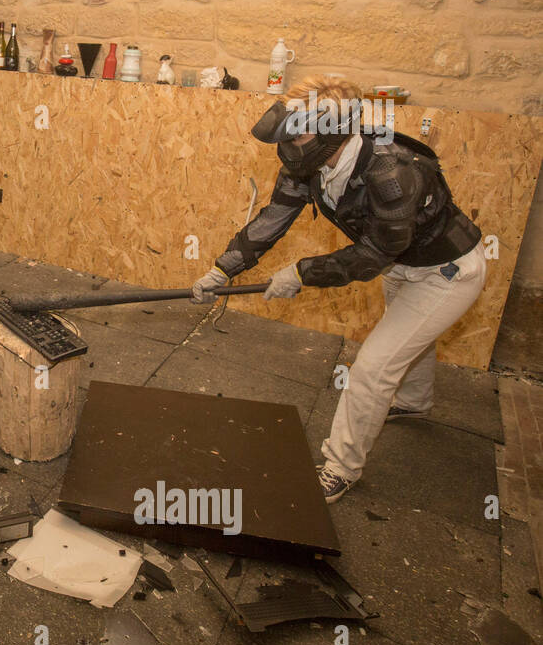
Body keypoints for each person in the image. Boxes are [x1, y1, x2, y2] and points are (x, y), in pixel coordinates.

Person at [192, 77, 485, 504]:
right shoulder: (310, 163)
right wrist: (222, 269)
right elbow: (274, 218)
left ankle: (341, 467)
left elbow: (375, 253)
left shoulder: (391, 169)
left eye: (300, 130)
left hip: (446, 270)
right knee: (409, 339)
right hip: (403, 263)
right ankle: (416, 401)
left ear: (333, 128)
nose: (291, 141)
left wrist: (302, 273)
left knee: (372, 370)